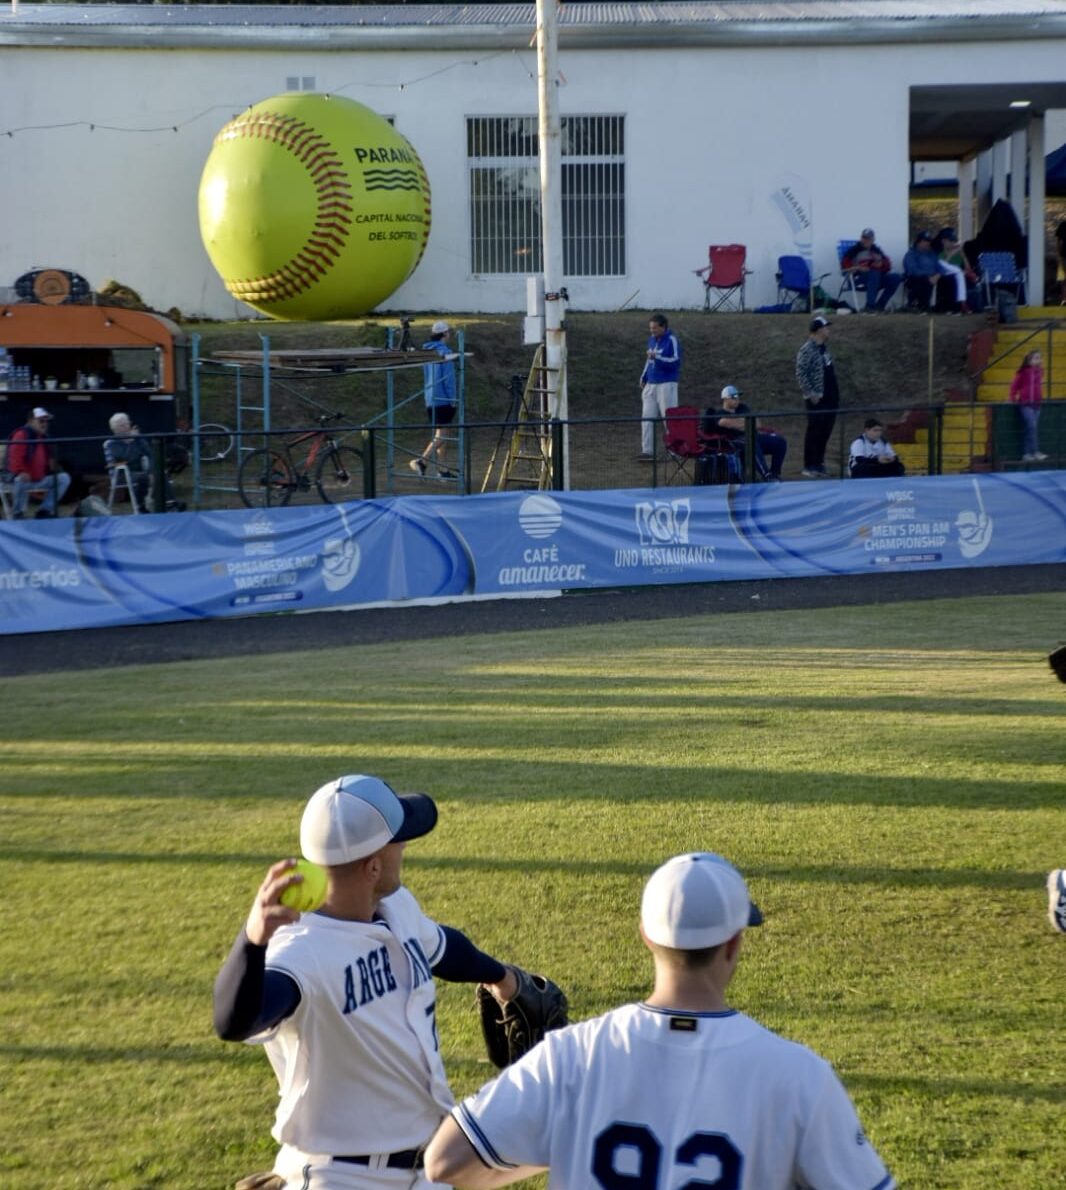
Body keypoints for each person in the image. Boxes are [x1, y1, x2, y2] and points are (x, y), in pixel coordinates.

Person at [425, 851, 897, 1190]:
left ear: (646, 937)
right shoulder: (797, 1078)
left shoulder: (570, 1055)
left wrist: (560, 1145)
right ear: (734, 943)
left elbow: (445, 1162)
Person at [213, 773, 527, 1190]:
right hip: (341, 1176)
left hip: (429, 1167)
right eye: (398, 840)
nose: (405, 846)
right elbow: (234, 1021)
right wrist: (252, 940)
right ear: (374, 865)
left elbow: (443, 948)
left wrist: (502, 978)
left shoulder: (394, 905)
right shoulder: (300, 953)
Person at [103, 411, 186, 512]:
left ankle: (170, 503)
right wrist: (130, 441)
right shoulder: (111, 443)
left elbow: (150, 454)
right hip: (122, 473)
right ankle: (141, 506)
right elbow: (126, 457)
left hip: (141, 470)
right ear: (114, 429)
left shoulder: (137, 439)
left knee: (159, 473)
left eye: (127, 423)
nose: (126, 427)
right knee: (143, 478)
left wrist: (151, 470)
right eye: (121, 425)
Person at [702, 384, 787, 481]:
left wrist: (739, 423)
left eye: (738, 396)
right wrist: (745, 422)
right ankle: (767, 475)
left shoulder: (743, 407)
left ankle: (775, 473)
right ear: (725, 399)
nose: (737, 399)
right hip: (735, 440)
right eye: (734, 397)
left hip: (753, 436)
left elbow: (757, 424)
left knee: (780, 442)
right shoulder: (720, 413)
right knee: (751, 443)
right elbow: (725, 423)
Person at [410, 320, 458, 479]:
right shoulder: (445, 352)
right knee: (443, 435)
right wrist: (453, 398)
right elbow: (448, 379)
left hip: (430, 398)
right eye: (448, 332)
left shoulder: (426, 352)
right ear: (444, 334)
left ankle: (442, 469)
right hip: (443, 398)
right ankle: (422, 460)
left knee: (442, 433)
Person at [4, 406, 71, 519]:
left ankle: (44, 511)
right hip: (19, 480)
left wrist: (53, 466)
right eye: (41, 421)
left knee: (64, 478)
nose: (44, 424)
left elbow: (50, 461)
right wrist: (20, 471)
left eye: (46, 421)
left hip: (39, 479)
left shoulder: (45, 438)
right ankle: (17, 514)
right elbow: (14, 458)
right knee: (20, 478)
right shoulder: (21, 434)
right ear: (30, 421)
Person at [795, 315, 839, 478]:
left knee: (825, 431)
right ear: (819, 329)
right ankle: (809, 464)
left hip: (830, 397)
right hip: (817, 398)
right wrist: (810, 394)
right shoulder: (807, 349)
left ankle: (819, 463)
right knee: (815, 430)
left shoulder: (824, 349)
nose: (828, 330)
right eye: (826, 327)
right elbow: (801, 373)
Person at [638, 313, 681, 460]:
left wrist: (658, 358)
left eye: (655, 328)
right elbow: (649, 360)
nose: (652, 331)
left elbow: (675, 362)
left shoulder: (671, 340)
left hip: (666, 383)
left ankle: (675, 451)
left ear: (663, 327)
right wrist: (644, 376)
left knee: (669, 418)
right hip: (651, 384)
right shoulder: (651, 340)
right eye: (651, 328)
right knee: (646, 417)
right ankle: (647, 451)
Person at [841, 228, 902, 313]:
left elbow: (887, 267)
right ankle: (870, 306)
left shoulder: (877, 250)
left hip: (875, 278)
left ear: (873, 240)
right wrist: (858, 268)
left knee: (896, 277)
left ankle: (880, 306)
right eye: (864, 238)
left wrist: (882, 264)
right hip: (857, 279)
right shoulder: (853, 250)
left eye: (868, 238)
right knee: (874, 274)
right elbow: (844, 266)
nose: (866, 240)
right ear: (861, 238)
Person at [1009, 350, 1047, 463]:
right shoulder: (1024, 372)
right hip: (1026, 404)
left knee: (1029, 429)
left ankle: (1026, 454)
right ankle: (1035, 452)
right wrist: (1012, 397)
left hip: (1037, 404)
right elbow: (1014, 386)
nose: (1038, 360)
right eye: (1035, 358)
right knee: (1032, 426)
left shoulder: (1040, 371)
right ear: (1029, 360)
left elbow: (1038, 386)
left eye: (1039, 358)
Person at [932, 227, 974, 314]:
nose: (953, 243)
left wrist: (963, 255)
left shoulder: (957, 254)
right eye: (950, 241)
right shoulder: (940, 254)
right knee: (958, 273)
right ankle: (962, 303)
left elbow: (968, 269)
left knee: (959, 274)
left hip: (956, 276)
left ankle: (961, 304)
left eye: (954, 241)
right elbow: (941, 268)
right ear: (943, 241)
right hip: (944, 275)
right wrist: (950, 255)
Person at [901, 231, 940, 310]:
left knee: (947, 279)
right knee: (921, 279)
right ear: (918, 242)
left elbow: (939, 266)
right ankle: (918, 304)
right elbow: (912, 270)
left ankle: (943, 306)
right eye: (925, 241)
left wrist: (937, 275)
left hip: (934, 278)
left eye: (928, 241)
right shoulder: (911, 254)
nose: (927, 243)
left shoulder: (932, 254)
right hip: (916, 279)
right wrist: (929, 276)